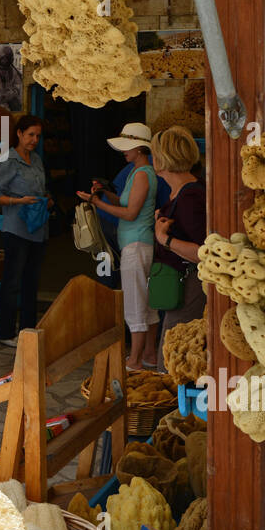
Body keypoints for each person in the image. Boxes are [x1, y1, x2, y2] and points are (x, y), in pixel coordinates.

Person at [78, 122, 159, 370]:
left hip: (136, 245)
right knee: (147, 304)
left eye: (128, 146)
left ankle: (134, 360)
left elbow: (131, 213)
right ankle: (149, 354)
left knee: (135, 305)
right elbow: (127, 202)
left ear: (139, 148)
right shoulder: (139, 172)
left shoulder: (143, 173)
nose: (124, 151)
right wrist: (105, 194)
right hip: (137, 244)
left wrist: (96, 202)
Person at [0, 113, 51, 346]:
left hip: (37, 227)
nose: (34, 140)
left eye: (37, 136)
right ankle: (5, 333)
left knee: (31, 281)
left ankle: (28, 331)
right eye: (30, 135)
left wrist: (45, 199)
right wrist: (19, 201)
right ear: (18, 134)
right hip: (16, 228)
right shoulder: (6, 158)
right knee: (12, 281)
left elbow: (40, 189)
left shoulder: (36, 160)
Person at [150, 126, 207, 364]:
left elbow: (205, 252)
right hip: (179, 286)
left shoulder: (190, 197)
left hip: (189, 286)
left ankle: (176, 402)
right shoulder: (182, 191)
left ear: (163, 159)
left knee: (174, 357)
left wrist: (166, 240)